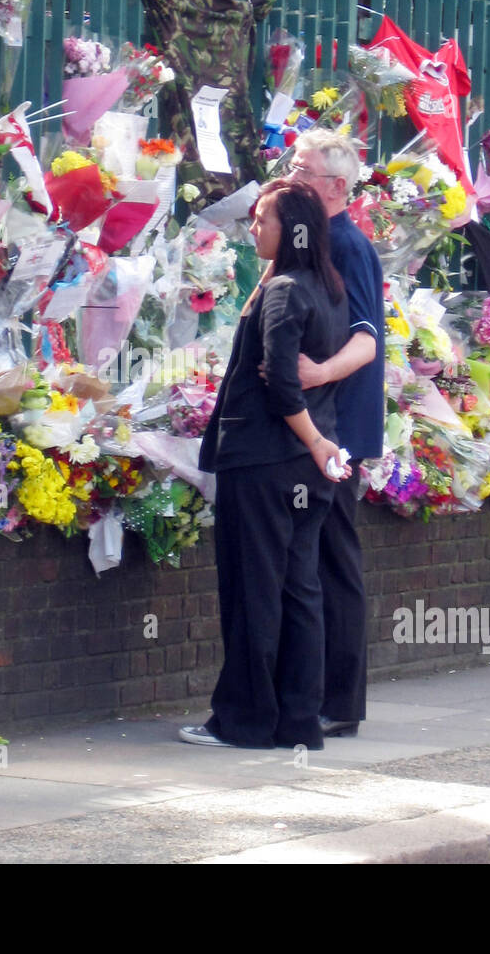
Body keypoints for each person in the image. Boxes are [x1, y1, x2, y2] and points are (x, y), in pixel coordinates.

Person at [181, 178, 350, 750]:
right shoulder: (324, 286)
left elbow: (280, 383)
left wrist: (312, 442)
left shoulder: (283, 292)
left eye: (262, 220)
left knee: (253, 591)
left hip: (266, 460)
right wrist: (319, 446)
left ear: (293, 229)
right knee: (298, 590)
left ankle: (244, 719)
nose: (253, 227)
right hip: (305, 466)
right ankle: (296, 720)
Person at [288, 129, 386, 738]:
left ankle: (341, 703)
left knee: (335, 561)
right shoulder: (319, 240)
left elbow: (366, 336)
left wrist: (319, 372)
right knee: (320, 558)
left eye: (302, 170)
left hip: (339, 427)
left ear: (335, 186)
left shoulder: (348, 245)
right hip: (323, 425)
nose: (291, 176)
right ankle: (324, 694)